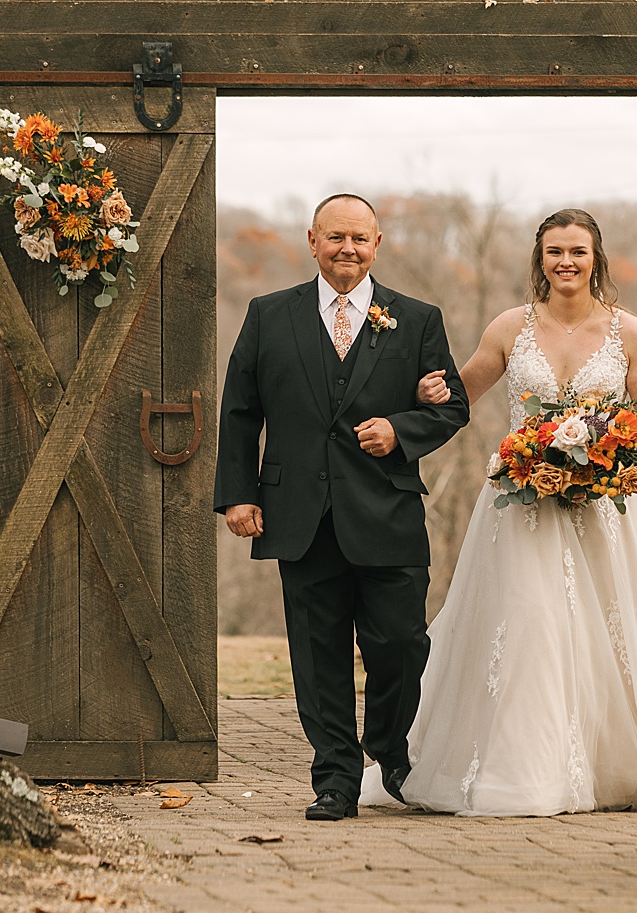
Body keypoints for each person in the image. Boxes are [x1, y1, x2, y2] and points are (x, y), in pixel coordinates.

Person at [360, 208, 637, 815]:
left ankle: (614, 766)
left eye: (578, 252)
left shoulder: (629, 332)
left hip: (602, 507)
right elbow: (460, 394)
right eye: (554, 252)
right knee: (530, 623)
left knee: (611, 629)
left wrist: (607, 463)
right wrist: (422, 393)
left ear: (597, 260)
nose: (566, 262)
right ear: (539, 260)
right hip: (521, 505)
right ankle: (526, 769)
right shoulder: (510, 326)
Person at [215, 193, 469, 821]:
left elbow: (451, 406)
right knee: (317, 652)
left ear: (377, 244)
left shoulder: (417, 318)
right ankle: (335, 778)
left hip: (387, 511)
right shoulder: (269, 314)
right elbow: (241, 411)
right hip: (300, 515)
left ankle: (390, 751)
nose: (347, 248)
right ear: (312, 240)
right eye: (335, 237)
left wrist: (401, 431)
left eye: (359, 238)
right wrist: (238, 494)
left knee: (402, 645)